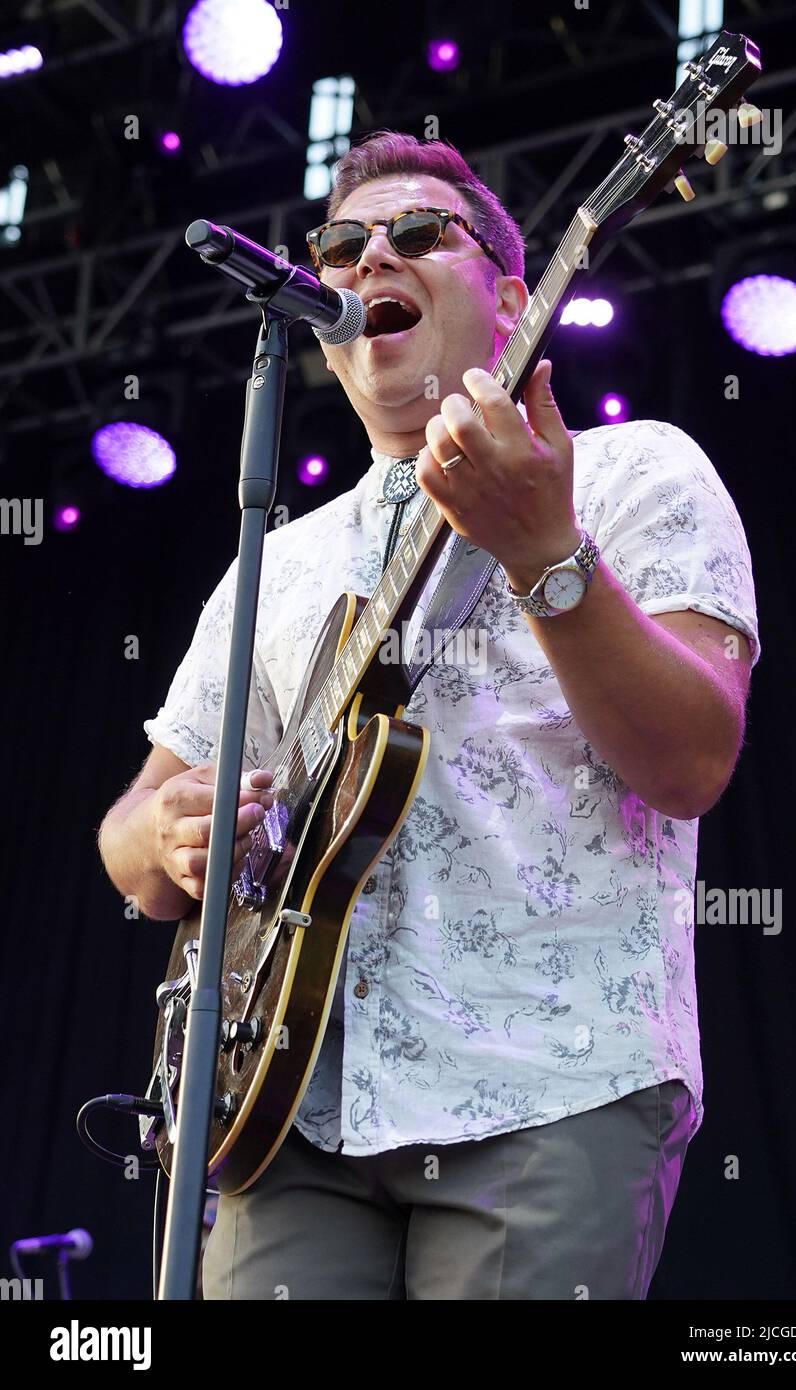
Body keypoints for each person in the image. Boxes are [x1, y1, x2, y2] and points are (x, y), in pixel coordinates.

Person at [98, 131, 760, 1300]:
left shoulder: (633, 472)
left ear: (512, 296)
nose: (368, 261)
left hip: (547, 1078)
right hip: (284, 1102)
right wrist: (161, 837)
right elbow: (134, 836)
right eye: (341, 245)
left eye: (414, 236)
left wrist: (545, 553)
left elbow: (693, 756)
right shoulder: (280, 559)